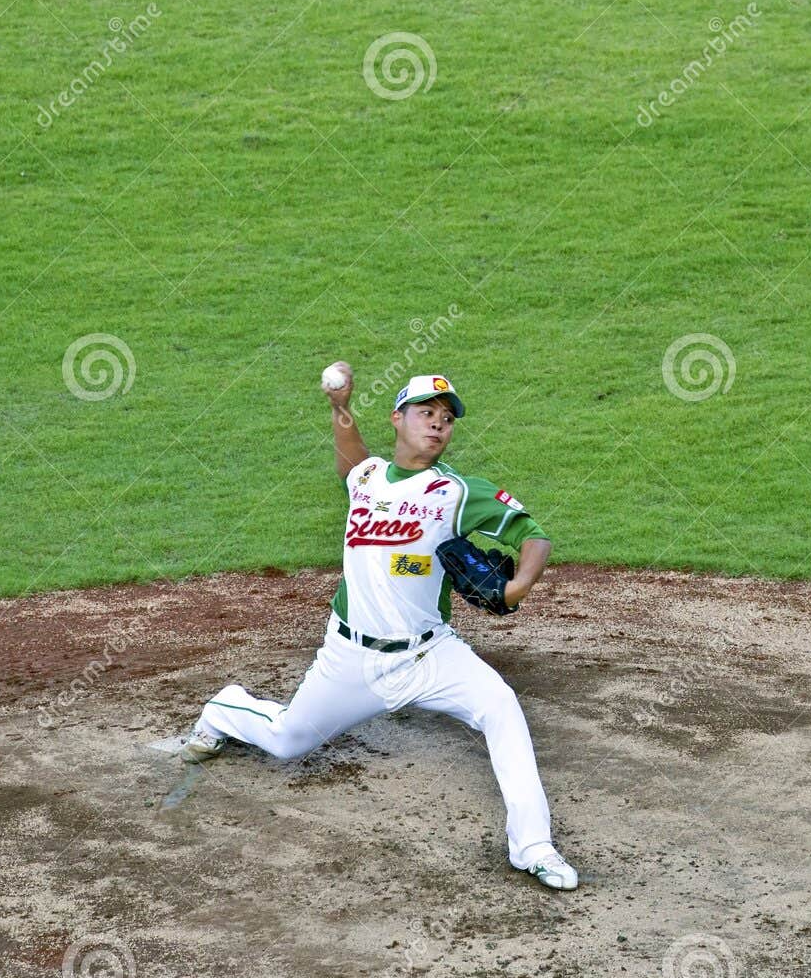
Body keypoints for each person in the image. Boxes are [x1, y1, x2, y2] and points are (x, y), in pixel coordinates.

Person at [183, 365, 578, 890]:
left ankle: (533, 846)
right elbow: (351, 461)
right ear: (398, 419)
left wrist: (518, 587)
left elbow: (535, 535)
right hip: (349, 658)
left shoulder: (457, 492)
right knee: (286, 741)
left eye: (446, 418)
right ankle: (224, 708)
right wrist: (339, 404)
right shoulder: (367, 476)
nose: (438, 424)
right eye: (425, 413)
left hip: (429, 655)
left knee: (502, 708)